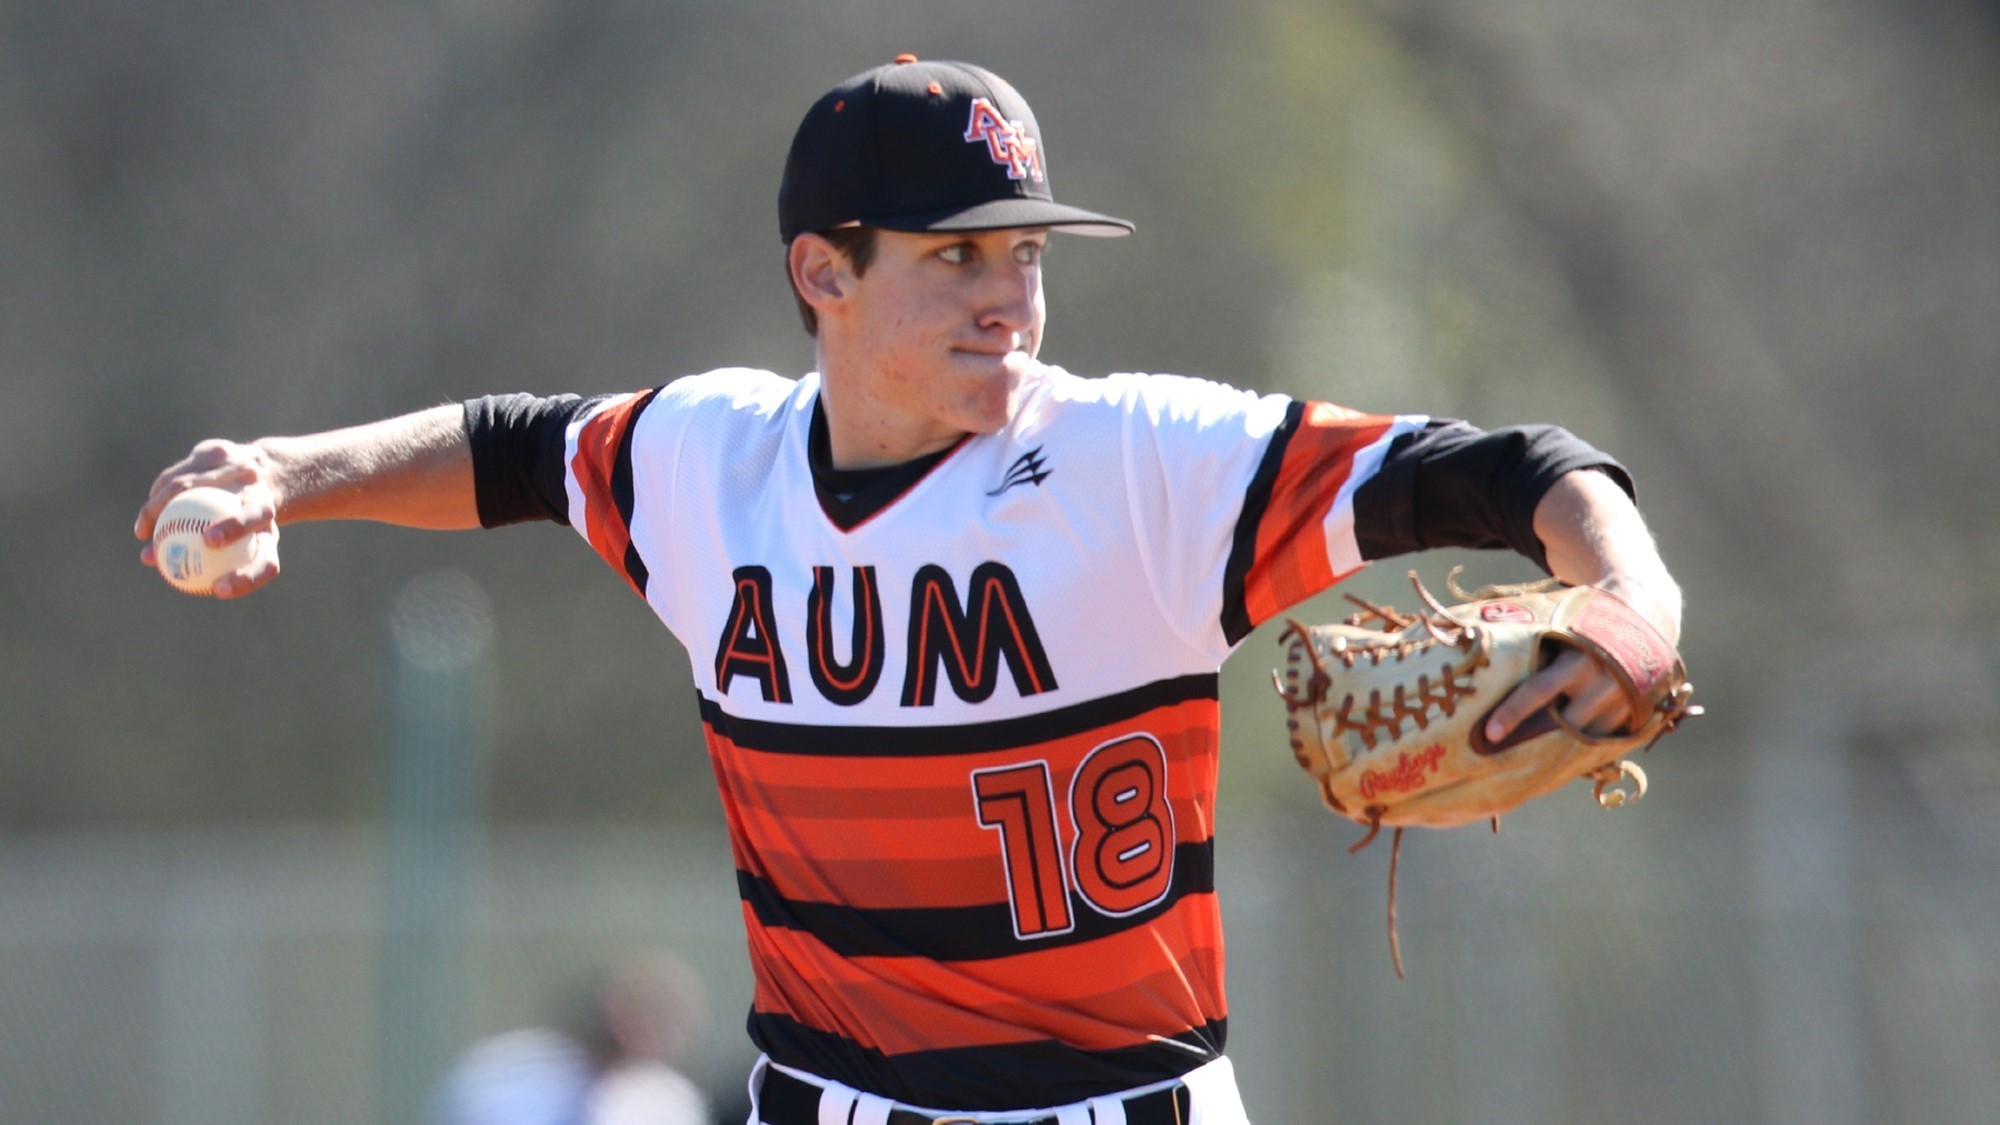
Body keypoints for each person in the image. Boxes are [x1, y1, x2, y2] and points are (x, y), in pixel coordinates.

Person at [136, 55, 1681, 1125]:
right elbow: (513, 451)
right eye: (954, 257)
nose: (1009, 294)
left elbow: (1516, 464)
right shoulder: (710, 463)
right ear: (824, 271)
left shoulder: (1144, 457)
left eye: (1025, 253)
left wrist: (1628, 611)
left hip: (1121, 1103)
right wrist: (283, 468)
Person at [435, 952, 712, 1125]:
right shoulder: (505, 1069)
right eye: (637, 1006)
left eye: (661, 1015)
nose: (643, 1023)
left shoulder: (670, 1102)